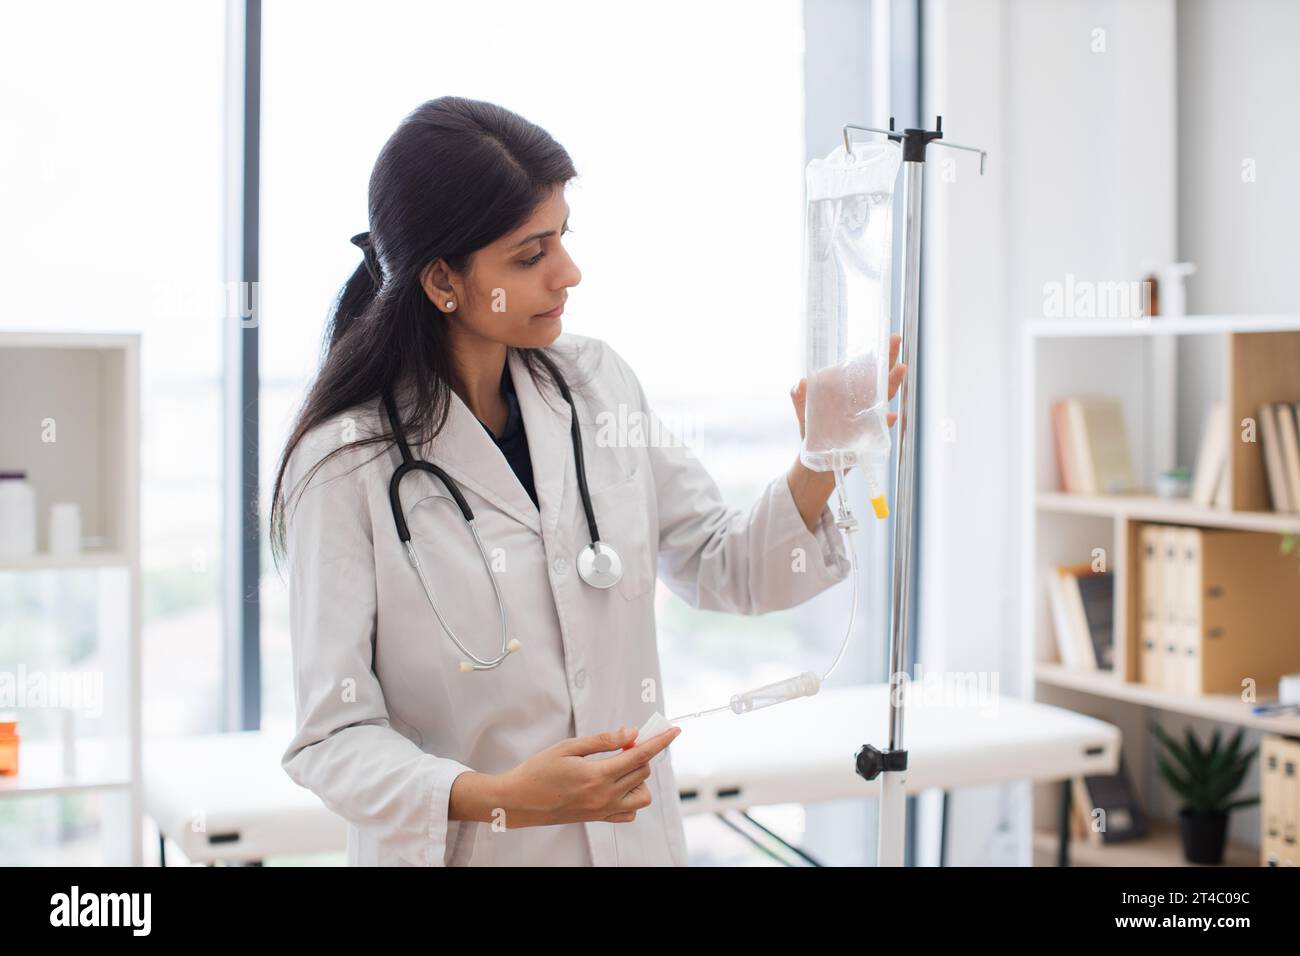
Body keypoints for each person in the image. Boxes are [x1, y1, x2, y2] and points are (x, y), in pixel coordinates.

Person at [269, 96, 905, 866]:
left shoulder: (597, 385)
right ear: (443, 280)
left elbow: (721, 564)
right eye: (530, 255)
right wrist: (500, 799)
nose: (569, 273)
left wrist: (821, 458)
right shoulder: (345, 462)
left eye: (563, 238)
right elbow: (331, 737)